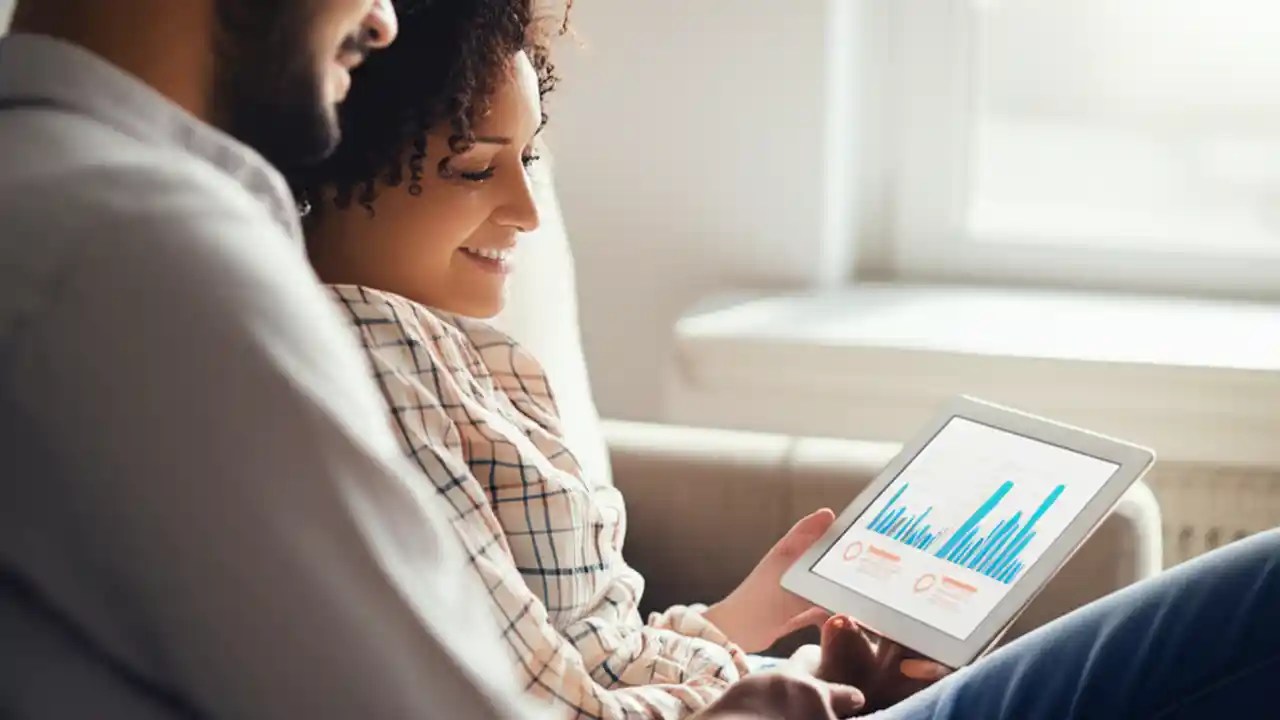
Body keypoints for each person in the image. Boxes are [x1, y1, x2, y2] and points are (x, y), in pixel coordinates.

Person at [287, 0, 1280, 718]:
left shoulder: (455, 356)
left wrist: (745, 623)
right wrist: (755, 705)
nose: (526, 212)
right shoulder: (370, 354)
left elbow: (583, 657)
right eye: (472, 168)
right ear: (326, 164)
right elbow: (536, 705)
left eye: (529, 157)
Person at [0, 1, 860, 718]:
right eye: (474, 167)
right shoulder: (140, 252)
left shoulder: (87, 213)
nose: (382, 17)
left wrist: (742, 641)